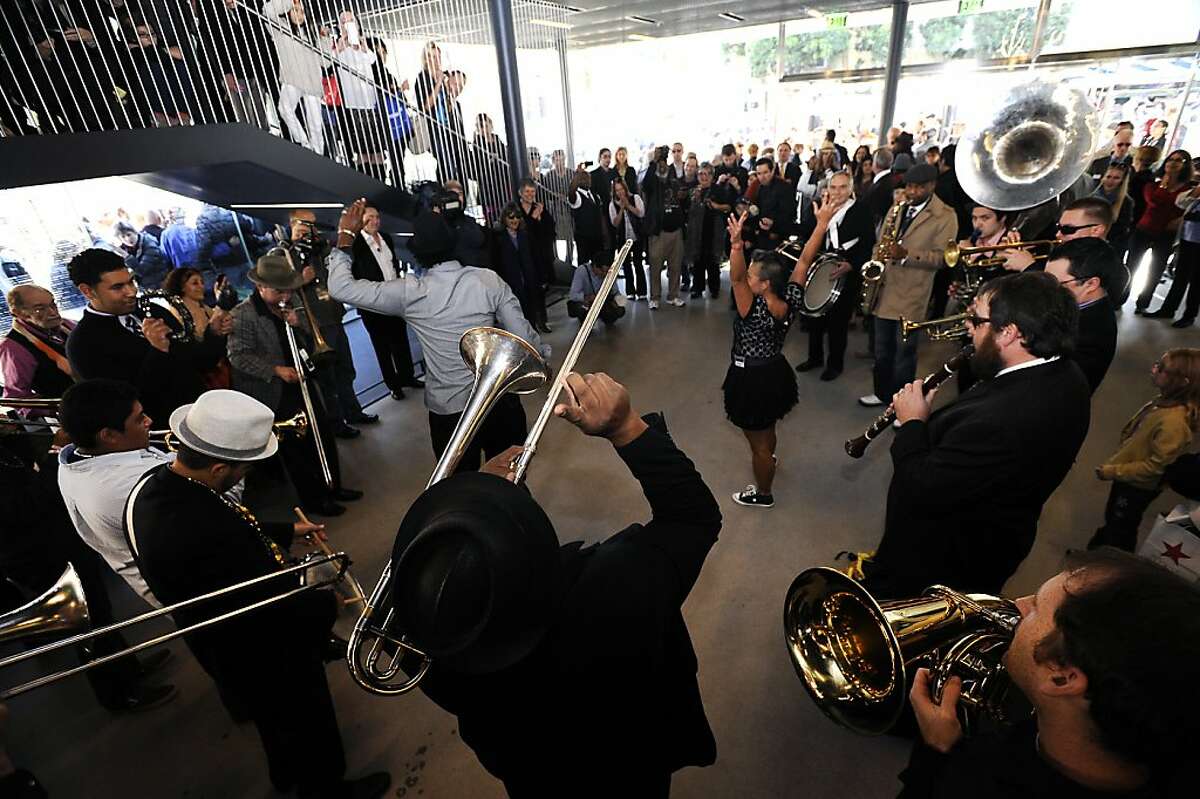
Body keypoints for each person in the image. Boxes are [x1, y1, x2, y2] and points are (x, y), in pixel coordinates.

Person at [389, 370, 721, 797]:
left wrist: (463, 502)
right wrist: (627, 428)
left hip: (532, 776)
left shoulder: (440, 640)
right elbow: (693, 518)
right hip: (635, 760)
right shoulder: (617, 584)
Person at [123, 390, 390, 799]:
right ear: (217, 469)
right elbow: (267, 608)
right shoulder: (203, 529)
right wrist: (327, 604)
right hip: (262, 648)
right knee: (304, 715)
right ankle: (326, 789)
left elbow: (228, 526)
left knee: (273, 721)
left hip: (224, 644)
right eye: (243, 469)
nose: (246, 476)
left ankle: (286, 773)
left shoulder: (159, 486)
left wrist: (283, 531)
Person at [859, 272, 1091, 599]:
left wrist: (913, 422)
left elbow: (921, 486)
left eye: (976, 318)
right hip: (997, 530)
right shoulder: (1065, 372)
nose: (968, 325)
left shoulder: (1004, 419)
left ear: (1009, 333)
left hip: (947, 558)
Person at [901, 548, 1200, 799]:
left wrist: (939, 751)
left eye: (1035, 609)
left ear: (1062, 677)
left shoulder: (969, 783)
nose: (1018, 604)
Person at [328, 204, 548, 473]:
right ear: (453, 242)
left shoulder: (410, 293)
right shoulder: (488, 280)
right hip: (499, 403)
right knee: (510, 481)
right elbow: (525, 339)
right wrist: (543, 355)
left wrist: (345, 237)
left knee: (457, 491)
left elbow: (340, 287)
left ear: (417, 254)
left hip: (450, 413)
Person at [228, 250, 361, 517]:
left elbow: (310, 338)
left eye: (288, 291)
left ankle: (333, 485)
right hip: (276, 391)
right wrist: (275, 370)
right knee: (299, 450)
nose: (286, 296)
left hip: (304, 381)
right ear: (260, 287)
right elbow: (237, 355)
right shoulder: (243, 314)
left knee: (322, 435)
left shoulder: (291, 304)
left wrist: (299, 324)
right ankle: (316, 499)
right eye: (279, 292)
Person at [723, 207, 832, 508]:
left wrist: (735, 246)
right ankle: (768, 458)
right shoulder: (791, 297)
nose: (747, 277)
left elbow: (734, 279)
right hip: (774, 371)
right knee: (767, 427)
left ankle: (764, 493)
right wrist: (821, 224)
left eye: (752, 276)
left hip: (750, 378)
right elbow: (806, 260)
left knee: (756, 442)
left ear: (764, 284)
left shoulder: (753, 309)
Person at [66, 248, 232, 427]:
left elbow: (198, 362)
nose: (131, 292)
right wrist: (157, 351)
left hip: (203, 415)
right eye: (118, 287)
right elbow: (123, 405)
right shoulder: (83, 343)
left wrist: (214, 334)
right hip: (162, 434)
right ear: (88, 291)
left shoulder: (151, 310)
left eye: (131, 282)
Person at [57, 378, 173, 605]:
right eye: (139, 419)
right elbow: (216, 504)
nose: (149, 421)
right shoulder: (133, 485)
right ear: (108, 436)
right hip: (181, 583)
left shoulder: (72, 458)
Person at [859, 163, 959, 408]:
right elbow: (881, 241)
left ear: (931, 186)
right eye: (908, 187)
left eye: (917, 188)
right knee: (882, 351)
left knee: (904, 354)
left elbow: (942, 258)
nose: (911, 192)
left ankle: (903, 406)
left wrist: (905, 254)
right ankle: (882, 394)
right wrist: (876, 260)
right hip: (885, 290)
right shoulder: (898, 207)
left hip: (913, 294)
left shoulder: (945, 216)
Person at [1087, 349, 1200, 552]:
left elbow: (1154, 467)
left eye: (1162, 368)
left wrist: (1113, 471)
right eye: (1157, 363)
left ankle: (1112, 560)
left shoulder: (1174, 423)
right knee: (1114, 516)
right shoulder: (1164, 404)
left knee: (1122, 526)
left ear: (1182, 382)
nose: (1153, 368)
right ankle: (1104, 543)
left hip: (1138, 486)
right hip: (1129, 478)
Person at [287, 209, 377, 436]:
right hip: (312, 324)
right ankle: (336, 423)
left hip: (333, 317)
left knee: (345, 369)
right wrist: (300, 280)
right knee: (327, 379)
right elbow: (279, 292)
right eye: (308, 224)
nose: (313, 229)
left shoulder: (319, 248)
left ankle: (353, 411)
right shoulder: (284, 255)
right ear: (295, 225)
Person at [796, 171, 875, 382]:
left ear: (850, 189)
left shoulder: (861, 210)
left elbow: (868, 245)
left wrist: (852, 265)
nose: (837, 192)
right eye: (833, 187)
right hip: (819, 269)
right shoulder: (820, 207)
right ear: (827, 189)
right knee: (813, 316)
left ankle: (835, 364)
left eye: (842, 187)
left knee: (837, 323)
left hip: (846, 272)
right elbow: (805, 233)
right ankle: (814, 358)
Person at [349, 205, 421, 400]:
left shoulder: (387, 238)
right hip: (372, 305)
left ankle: (408, 377)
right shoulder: (356, 246)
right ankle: (393, 385)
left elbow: (393, 266)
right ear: (361, 220)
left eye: (377, 217)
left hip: (395, 300)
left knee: (401, 340)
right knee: (382, 347)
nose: (375, 221)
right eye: (370, 217)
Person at [1042, 238, 1120, 394]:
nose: (1045, 289)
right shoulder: (1076, 304)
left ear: (1091, 284)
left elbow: (1050, 382)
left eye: (1055, 283)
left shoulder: (1095, 331)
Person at [1132, 149, 1194, 314]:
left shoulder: (1188, 189)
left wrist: (1180, 219)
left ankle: (1143, 303)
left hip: (1166, 234)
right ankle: (1120, 297)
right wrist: (1164, 185)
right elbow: (1154, 202)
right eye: (1170, 159)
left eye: (1179, 160)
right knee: (1132, 265)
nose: (1173, 163)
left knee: (1155, 270)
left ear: (1185, 166)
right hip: (1144, 230)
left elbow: (1185, 207)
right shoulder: (1152, 184)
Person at [263, 0, 327, 155]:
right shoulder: (280, 28)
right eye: (295, 10)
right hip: (292, 78)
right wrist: (289, 1)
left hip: (312, 82)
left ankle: (318, 156)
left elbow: (326, 62)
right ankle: (305, 144)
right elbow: (267, 10)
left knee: (316, 125)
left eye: (302, 11)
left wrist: (325, 38)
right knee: (284, 108)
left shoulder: (311, 34)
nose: (299, 14)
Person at [0, 285, 75, 409]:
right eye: (40, 309)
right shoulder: (13, 347)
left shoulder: (69, 325)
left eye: (53, 304)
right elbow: (17, 399)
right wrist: (57, 411)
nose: (52, 312)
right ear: (19, 313)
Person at [641, 145, 687, 308]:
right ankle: (654, 297)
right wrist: (654, 161)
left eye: (664, 162)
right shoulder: (652, 180)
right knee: (655, 265)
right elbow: (646, 184)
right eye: (660, 163)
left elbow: (682, 187)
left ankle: (673, 295)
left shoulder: (673, 174)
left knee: (676, 266)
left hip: (676, 229)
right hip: (658, 231)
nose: (663, 165)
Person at [686, 163, 731, 300]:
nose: (703, 177)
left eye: (706, 174)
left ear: (712, 176)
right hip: (696, 231)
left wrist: (717, 206)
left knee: (713, 262)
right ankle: (697, 288)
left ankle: (714, 289)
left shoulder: (719, 190)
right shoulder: (693, 190)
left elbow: (728, 207)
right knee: (697, 260)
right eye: (700, 174)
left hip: (713, 231)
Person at [1158, 184, 1200, 327]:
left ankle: (1189, 315)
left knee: (1196, 280)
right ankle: (1168, 309)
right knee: (1180, 275)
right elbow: (1180, 202)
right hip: (1187, 237)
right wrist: (1196, 191)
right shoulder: (1196, 190)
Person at [516, 178, 555, 332]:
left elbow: (550, 230)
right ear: (521, 192)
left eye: (533, 191)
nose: (530, 195)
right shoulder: (516, 209)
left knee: (540, 290)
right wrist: (533, 219)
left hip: (538, 256)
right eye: (527, 191)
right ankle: (529, 324)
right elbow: (520, 230)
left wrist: (540, 219)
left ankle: (542, 321)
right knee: (525, 290)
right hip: (522, 256)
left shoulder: (540, 208)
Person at [494, 204, 541, 326]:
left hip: (528, 279)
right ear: (504, 219)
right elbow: (498, 262)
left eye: (518, 217)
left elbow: (535, 257)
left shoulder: (525, 235)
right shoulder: (498, 238)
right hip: (510, 281)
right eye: (511, 217)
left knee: (530, 310)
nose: (515, 220)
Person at [609, 178, 647, 301]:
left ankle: (642, 291)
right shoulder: (612, 204)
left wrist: (628, 206)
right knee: (626, 265)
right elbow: (615, 223)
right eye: (617, 190)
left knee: (638, 264)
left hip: (636, 236)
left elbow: (641, 213)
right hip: (622, 238)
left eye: (621, 189)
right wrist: (621, 208)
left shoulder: (635, 198)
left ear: (625, 189)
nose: (620, 192)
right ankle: (630, 291)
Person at [567, 164, 612, 267]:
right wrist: (577, 176)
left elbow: (601, 216)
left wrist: (605, 233)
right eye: (583, 178)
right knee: (585, 267)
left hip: (597, 237)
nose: (586, 180)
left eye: (588, 178)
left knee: (600, 265)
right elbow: (571, 193)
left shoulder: (595, 196)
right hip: (584, 238)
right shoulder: (577, 196)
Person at [748, 157, 796, 252]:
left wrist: (773, 223)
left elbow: (790, 213)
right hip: (763, 234)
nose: (762, 177)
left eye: (765, 172)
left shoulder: (784, 187)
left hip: (780, 236)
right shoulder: (760, 187)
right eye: (759, 174)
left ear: (772, 171)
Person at [567, 255, 625, 327]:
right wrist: (586, 298)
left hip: (602, 303)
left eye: (607, 271)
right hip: (587, 303)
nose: (604, 274)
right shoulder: (582, 271)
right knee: (579, 308)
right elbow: (572, 295)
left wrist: (618, 301)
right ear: (594, 266)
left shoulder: (610, 273)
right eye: (602, 271)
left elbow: (616, 292)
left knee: (620, 309)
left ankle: (607, 318)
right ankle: (585, 320)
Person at [113, 221, 170, 291]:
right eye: (123, 237)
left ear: (135, 232)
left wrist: (127, 257)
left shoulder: (149, 244)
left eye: (129, 235)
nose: (127, 239)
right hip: (146, 287)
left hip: (159, 285)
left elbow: (142, 270)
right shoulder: (126, 248)